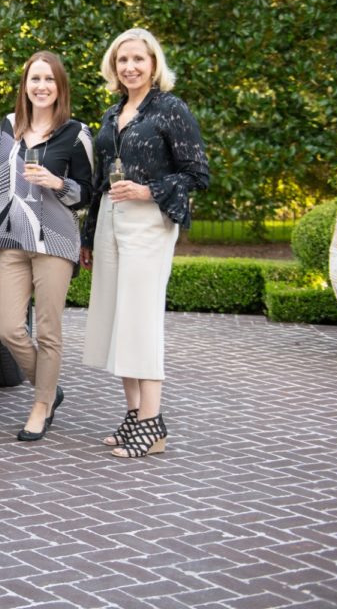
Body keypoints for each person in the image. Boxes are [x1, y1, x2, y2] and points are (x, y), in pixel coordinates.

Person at [79, 28, 209, 458]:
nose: (130, 67)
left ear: (154, 63)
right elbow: (100, 182)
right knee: (118, 320)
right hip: (110, 221)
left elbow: (197, 175)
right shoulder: (111, 112)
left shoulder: (170, 109)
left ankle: (152, 423)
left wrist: (148, 189)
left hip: (148, 222)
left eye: (138, 59)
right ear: (112, 67)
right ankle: (134, 414)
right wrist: (89, 236)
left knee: (141, 320)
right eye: (122, 60)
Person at [0, 51, 94, 441]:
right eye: (35, 79)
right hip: (12, 237)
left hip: (55, 240)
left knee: (48, 329)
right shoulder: (9, 126)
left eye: (49, 80)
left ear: (60, 88)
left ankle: (40, 407)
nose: (41, 87)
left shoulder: (77, 133)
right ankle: (49, 389)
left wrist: (58, 183)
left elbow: (88, 193)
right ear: (25, 85)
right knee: (9, 329)